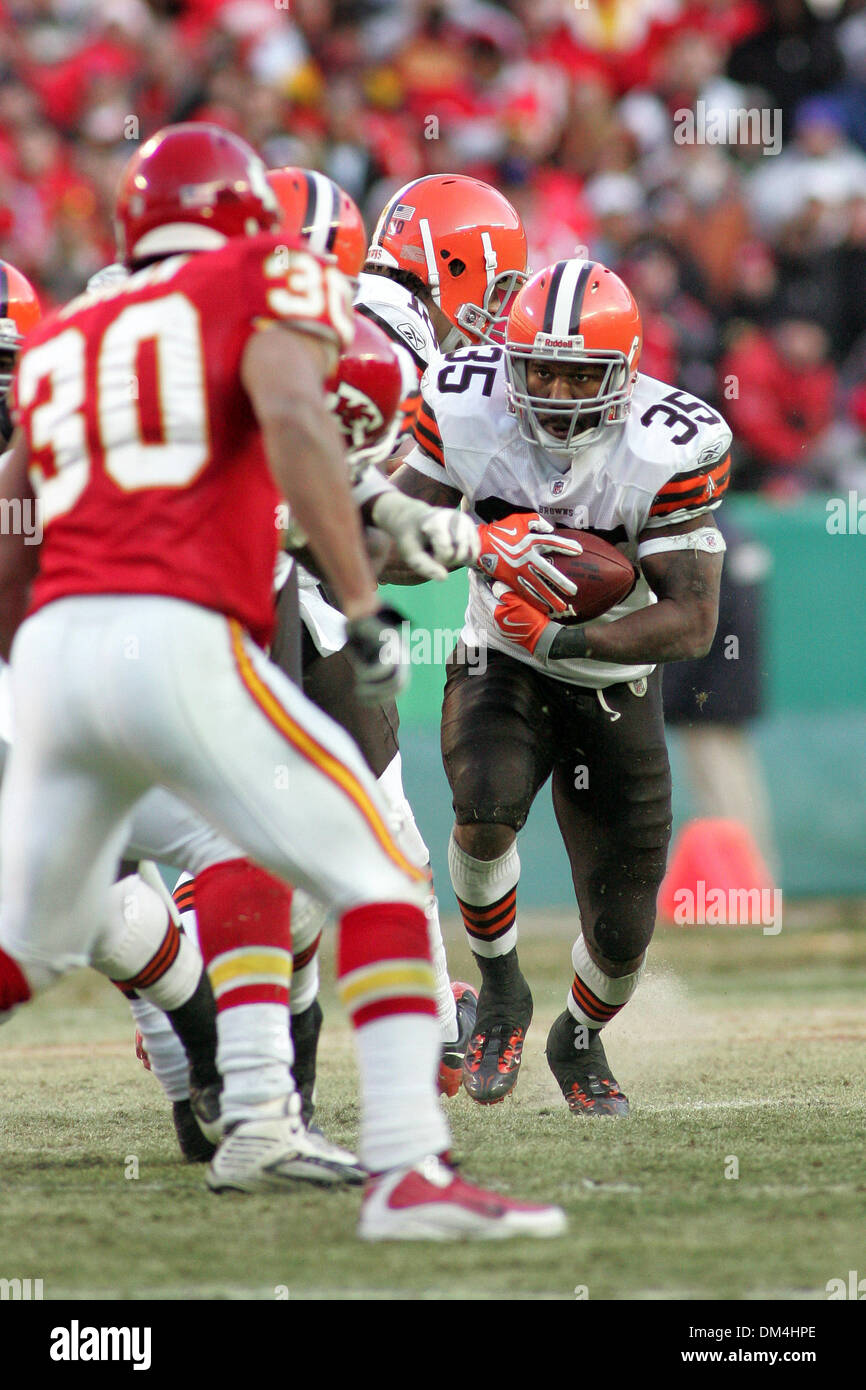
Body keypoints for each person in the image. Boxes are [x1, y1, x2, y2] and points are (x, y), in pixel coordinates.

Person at [0, 123, 566, 1240]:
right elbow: (295, 416)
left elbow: (17, 529)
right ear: (240, 217)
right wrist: (359, 603)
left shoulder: (67, 338)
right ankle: (408, 1174)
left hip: (57, 656)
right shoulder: (256, 283)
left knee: (45, 929)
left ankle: (260, 1112)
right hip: (173, 632)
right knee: (373, 866)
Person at [388, 257, 730, 1115]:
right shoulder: (464, 404)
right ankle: (500, 990)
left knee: (620, 938)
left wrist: (569, 634)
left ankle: (578, 1036)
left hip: (614, 680)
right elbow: (386, 537)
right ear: (508, 359)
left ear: (623, 375)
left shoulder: (669, 445)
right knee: (484, 802)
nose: (555, 389)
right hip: (499, 657)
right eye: (538, 367)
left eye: (578, 372)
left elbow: (692, 620)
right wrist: (465, 544)